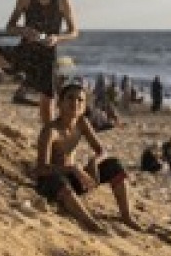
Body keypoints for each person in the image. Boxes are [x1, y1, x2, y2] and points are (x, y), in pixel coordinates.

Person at [33, 80, 140, 234]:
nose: (75, 102)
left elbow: (102, 151)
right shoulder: (50, 130)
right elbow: (40, 169)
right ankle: (91, 224)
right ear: (59, 104)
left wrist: (94, 162)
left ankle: (127, 217)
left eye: (80, 100)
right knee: (58, 180)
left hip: (74, 180)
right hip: (52, 182)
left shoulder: (82, 123)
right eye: (70, 98)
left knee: (113, 164)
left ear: (84, 107)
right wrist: (73, 169)